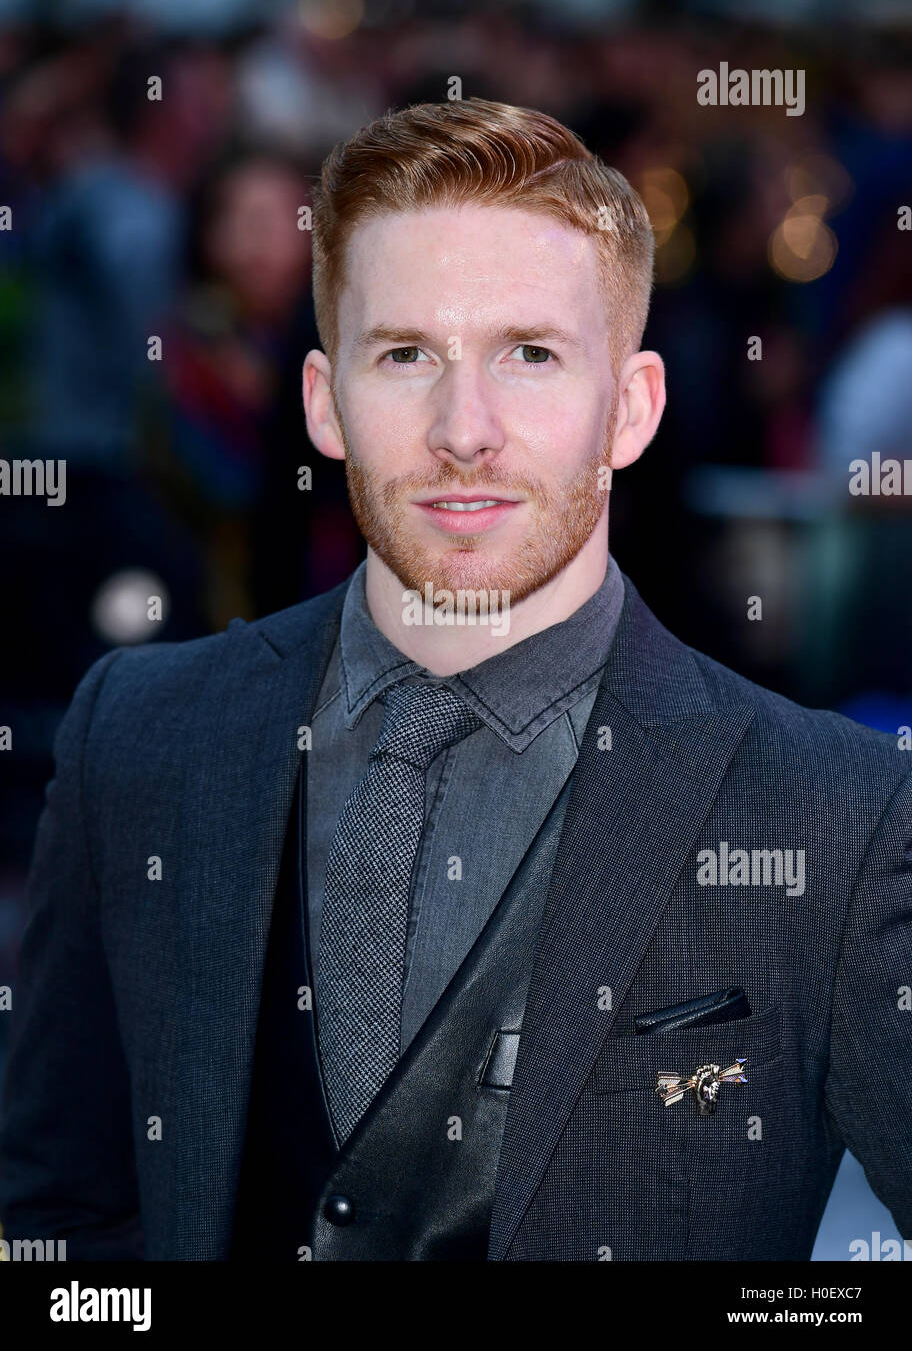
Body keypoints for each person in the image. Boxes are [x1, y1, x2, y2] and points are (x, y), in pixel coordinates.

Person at [0, 98, 909, 1262]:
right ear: (327, 404)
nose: (462, 429)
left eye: (528, 354)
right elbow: (60, 1219)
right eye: (406, 355)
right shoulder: (141, 736)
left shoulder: (834, 813)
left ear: (629, 409)